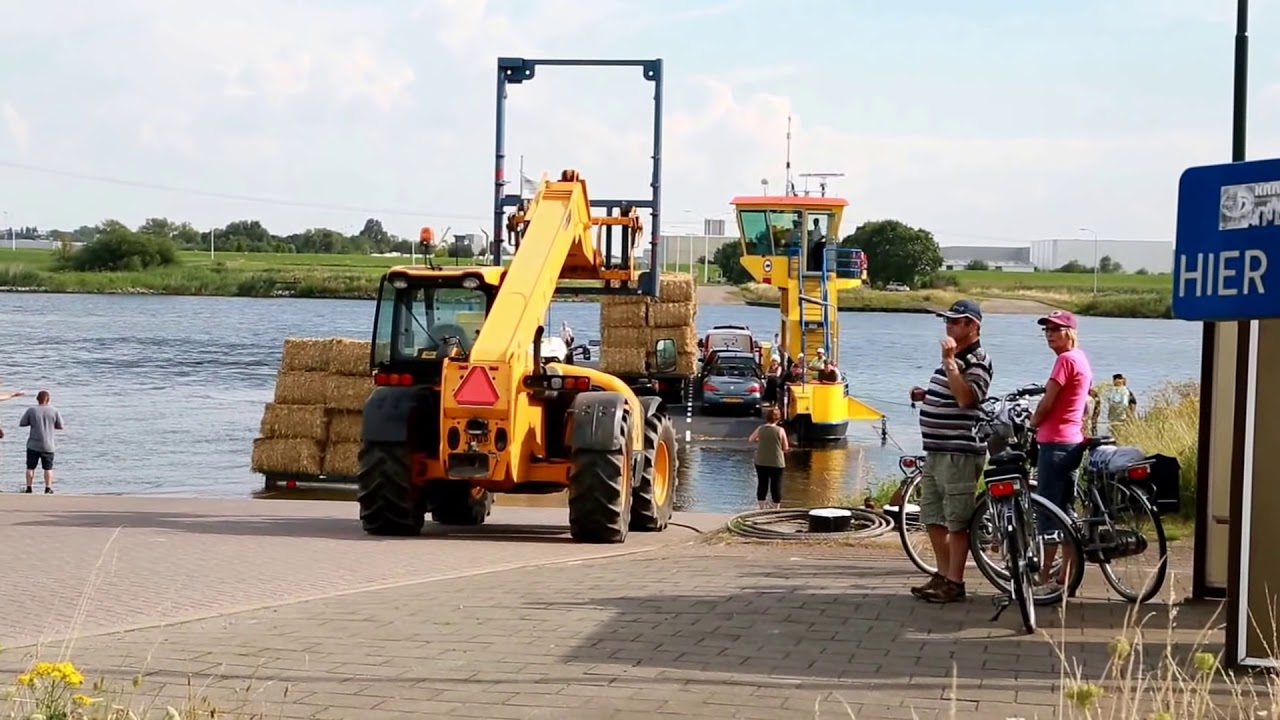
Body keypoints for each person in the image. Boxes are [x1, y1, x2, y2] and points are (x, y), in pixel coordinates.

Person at [908, 299, 993, 604]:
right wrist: (927, 394)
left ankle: (955, 581)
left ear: (973, 326)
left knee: (957, 519)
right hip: (936, 450)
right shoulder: (956, 358)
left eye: (956, 322)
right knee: (932, 514)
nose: (949, 326)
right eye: (947, 321)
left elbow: (968, 399)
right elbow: (950, 392)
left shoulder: (978, 359)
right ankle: (943, 575)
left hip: (959, 451)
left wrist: (949, 362)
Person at [1028, 310, 1093, 595]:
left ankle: (1043, 578)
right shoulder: (1081, 359)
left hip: (1055, 443)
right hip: (1073, 441)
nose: (1049, 334)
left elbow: (1047, 402)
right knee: (1066, 511)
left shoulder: (1065, 361)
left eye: (1056, 329)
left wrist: (1032, 422)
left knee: (1048, 512)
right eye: (1046, 330)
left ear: (1070, 332)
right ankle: (1067, 575)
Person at [19, 390, 64, 494]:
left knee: (30, 467)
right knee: (48, 468)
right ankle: (48, 488)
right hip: (48, 445)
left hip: (33, 444)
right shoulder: (54, 411)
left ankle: (29, 488)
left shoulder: (31, 410)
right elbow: (60, 426)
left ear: (37, 399)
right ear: (48, 399)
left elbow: (22, 423)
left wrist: (33, 422)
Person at [749, 406, 790, 509]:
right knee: (776, 486)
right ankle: (776, 509)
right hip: (776, 462)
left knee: (762, 484)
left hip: (761, 461)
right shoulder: (780, 430)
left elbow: (751, 439)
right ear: (778, 418)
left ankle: (761, 508)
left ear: (767, 417)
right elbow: (785, 447)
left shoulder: (760, 428)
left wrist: (760, 440)